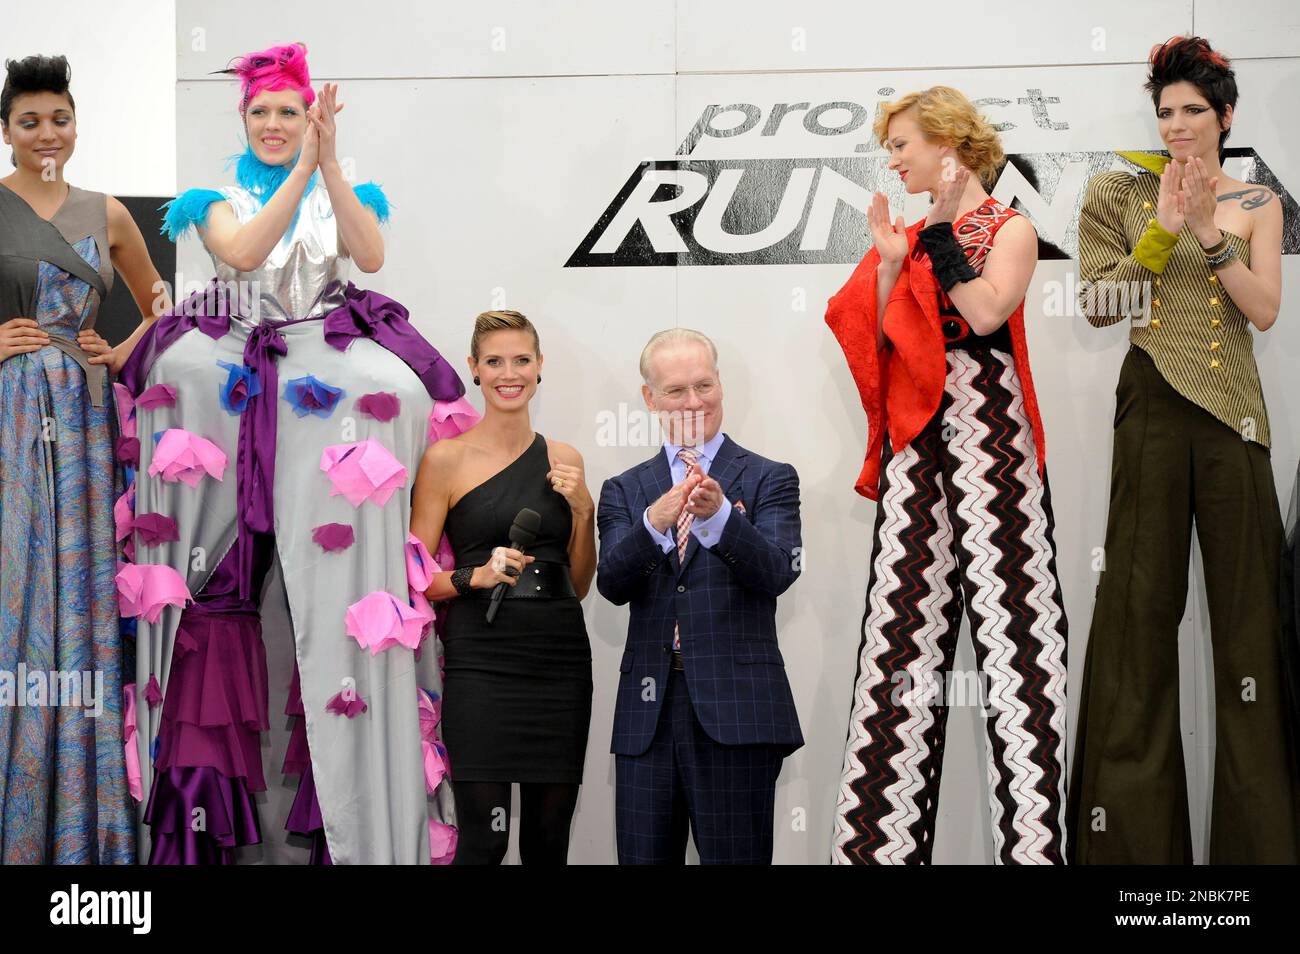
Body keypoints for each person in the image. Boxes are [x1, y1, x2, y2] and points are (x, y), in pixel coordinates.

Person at [116, 42, 470, 864]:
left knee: (400, 392)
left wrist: (330, 168)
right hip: (236, 347)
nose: (275, 124)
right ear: (243, 120)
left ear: (311, 114)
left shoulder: (341, 181)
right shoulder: (212, 196)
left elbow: (369, 257)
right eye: (261, 112)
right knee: (179, 384)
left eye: (290, 110)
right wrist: (300, 169)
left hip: (323, 349)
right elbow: (240, 257)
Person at [1067, 35, 1298, 864]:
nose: (1176, 126)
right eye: (1165, 112)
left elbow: (1264, 310)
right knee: (1137, 619)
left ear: (1225, 115)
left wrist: (1207, 229)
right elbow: (1099, 303)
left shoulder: (1258, 203)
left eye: (1193, 111)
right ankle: (1130, 856)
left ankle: (1263, 852)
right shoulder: (1118, 190)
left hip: (1235, 420)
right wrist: (1162, 231)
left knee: (1249, 636)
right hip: (1152, 414)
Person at [825, 86, 1068, 864]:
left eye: (903, 144)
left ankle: (1034, 849)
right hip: (920, 441)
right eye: (890, 146)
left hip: (992, 435)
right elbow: (882, 338)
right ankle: (877, 849)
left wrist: (935, 241)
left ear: (948, 145)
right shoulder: (911, 231)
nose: (893, 159)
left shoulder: (1012, 226)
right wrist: (894, 267)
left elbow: (990, 311)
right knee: (901, 641)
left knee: (1019, 644)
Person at [0, 53, 167, 863]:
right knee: (17, 589)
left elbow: (162, 305)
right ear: (6, 132)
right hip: (10, 423)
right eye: (29, 121)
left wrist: (118, 347)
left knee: (79, 598)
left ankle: (82, 832)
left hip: (86, 424)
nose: (46, 134)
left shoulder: (111, 213)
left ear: (76, 124)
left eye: (59, 118)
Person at [597, 328, 803, 865]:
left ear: (720, 384)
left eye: (704, 385)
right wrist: (653, 524)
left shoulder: (769, 478)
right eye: (675, 391)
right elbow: (612, 585)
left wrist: (718, 523)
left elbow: (778, 572)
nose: (694, 401)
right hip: (649, 716)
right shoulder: (624, 490)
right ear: (649, 398)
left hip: (739, 714)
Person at [410, 309, 595, 865]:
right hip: (482, 663)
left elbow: (580, 584)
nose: (507, 373)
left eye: (521, 360)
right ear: (473, 369)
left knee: (548, 843)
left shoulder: (565, 460)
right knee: (485, 842)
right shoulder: (444, 460)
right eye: (494, 361)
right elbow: (418, 580)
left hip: (559, 660)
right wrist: (478, 576)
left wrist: (584, 511)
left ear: (539, 368)